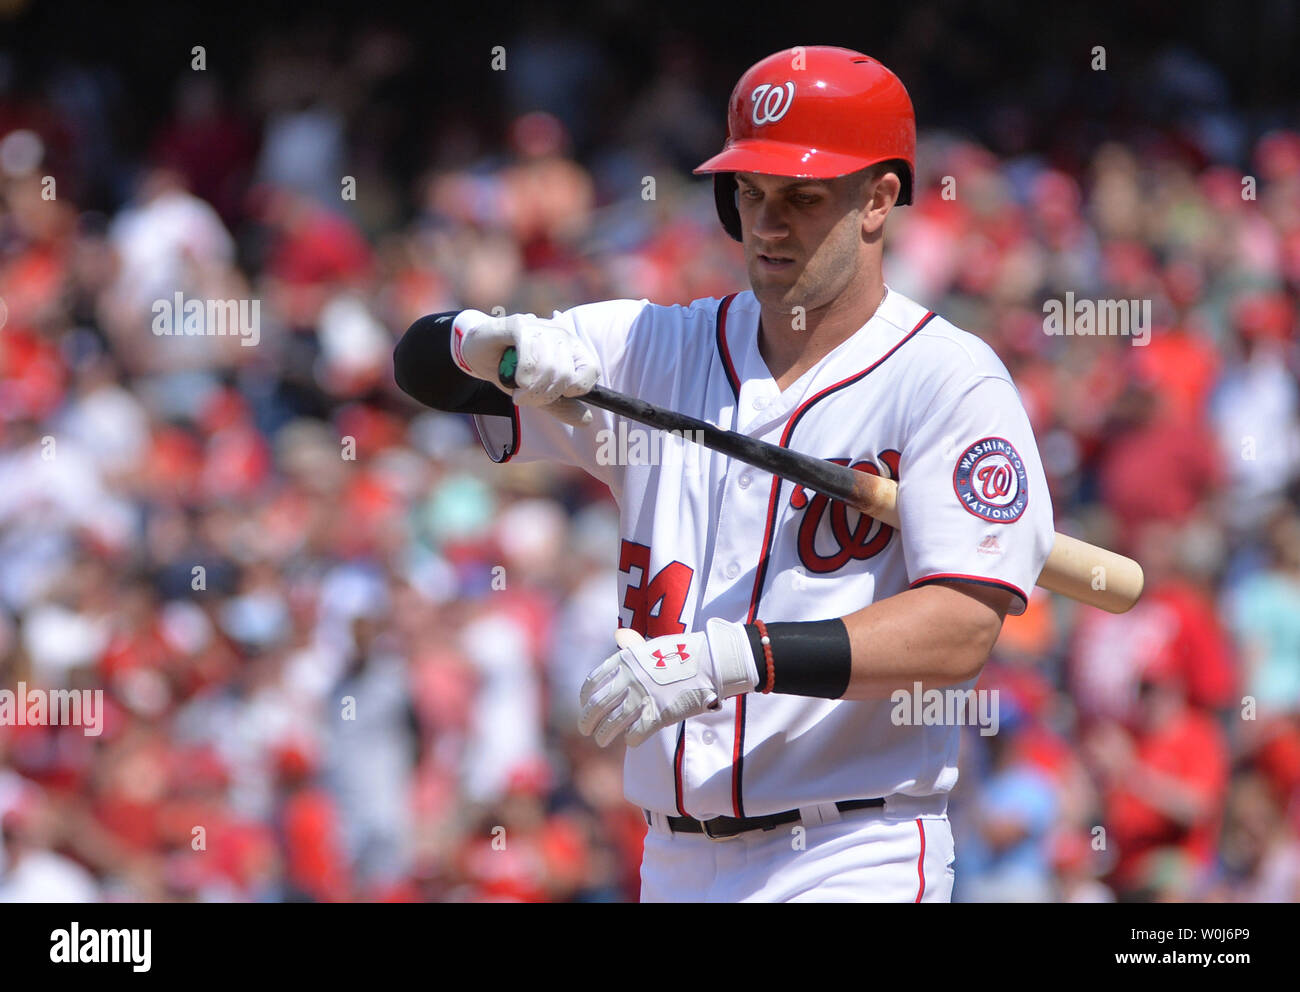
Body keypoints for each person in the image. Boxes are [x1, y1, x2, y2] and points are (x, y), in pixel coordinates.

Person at [394, 45, 1054, 902]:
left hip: (850, 850)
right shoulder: (653, 347)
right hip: (671, 858)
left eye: (802, 198)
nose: (768, 225)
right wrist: (480, 343)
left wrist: (732, 659)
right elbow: (420, 369)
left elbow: (960, 629)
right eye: (750, 194)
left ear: (879, 200)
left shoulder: (948, 379)